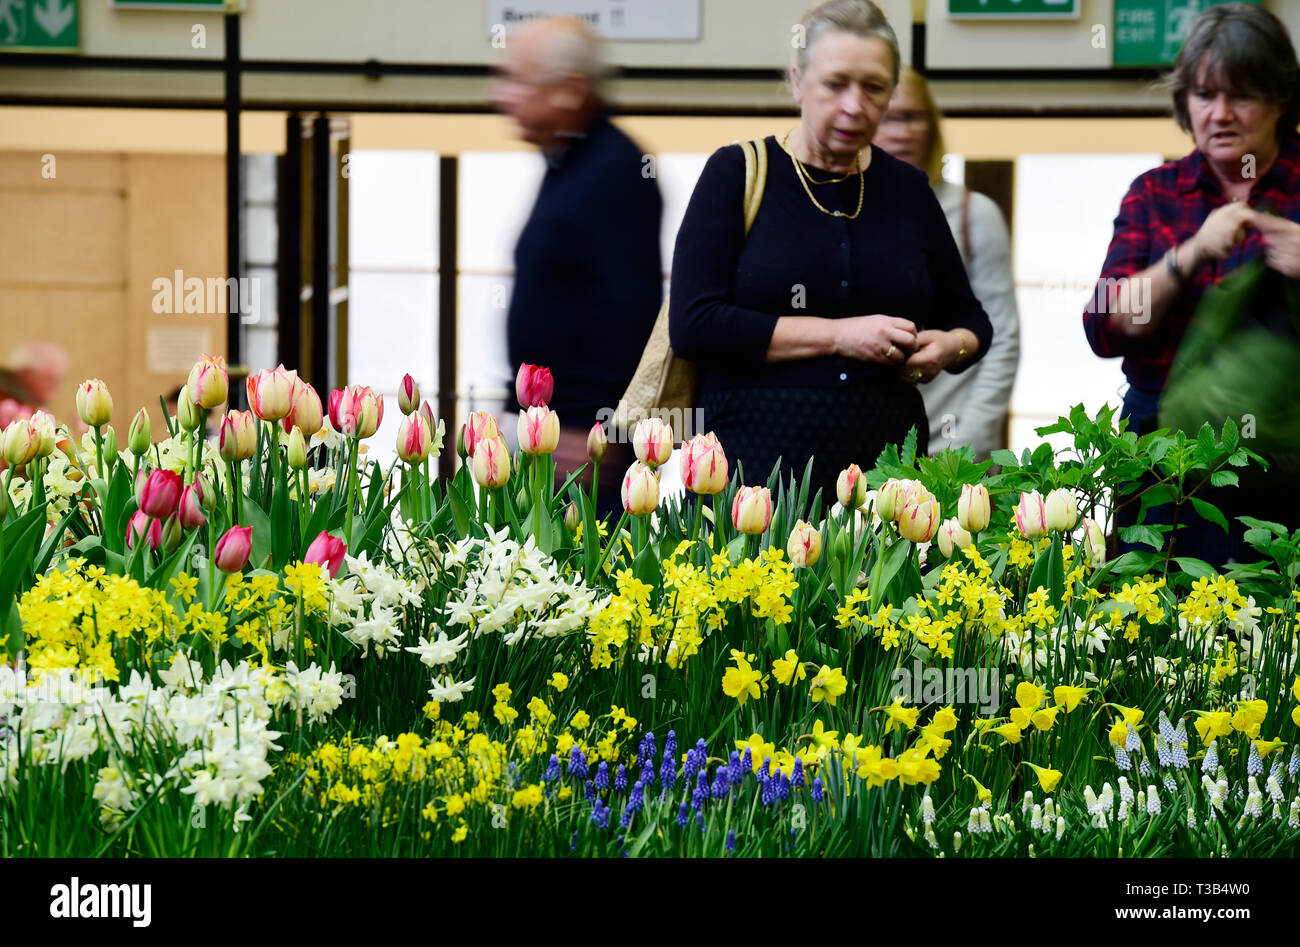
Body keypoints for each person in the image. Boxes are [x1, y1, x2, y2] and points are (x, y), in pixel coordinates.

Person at [668, 0, 992, 502]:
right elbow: (694, 324)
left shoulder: (907, 189)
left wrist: (950, 348)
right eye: (835, 84)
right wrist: (839, 336)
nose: (854, 105)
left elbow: (972, 320)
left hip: (885, 480)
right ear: (798, 82)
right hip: (752, 472)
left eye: (874, 87)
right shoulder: (736, 172)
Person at [1083, 3, 1300, 561]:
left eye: (1242, 95)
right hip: (1164, 456)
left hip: (1286, 456)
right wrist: (1191, 254)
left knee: (1273, 636)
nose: (1220, 114)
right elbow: (1106, 322)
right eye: (1205, 96)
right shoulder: (1156, 191)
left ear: (1280, 100)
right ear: (1185, 104)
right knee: (1152, 626)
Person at [492, 16, 663, 520]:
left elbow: (628, 310)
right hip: (549, 427)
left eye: (518, 80)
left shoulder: (615, 168)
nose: (501, 96)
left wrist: (593, 429)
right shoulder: (568, 161)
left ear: (568, 90)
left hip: (578, 441)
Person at [874, 67, 1020, 462]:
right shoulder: (845, 213)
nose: (900, 131)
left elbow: (1002, 338)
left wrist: (968, 444)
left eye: (912, 117)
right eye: (888, 117)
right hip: (868, 448)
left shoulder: (974, 213)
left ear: (932, 127)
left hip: (950, 448)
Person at [0, 341, 68, 426]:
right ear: (27, 374)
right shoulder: (5, 402)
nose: (57, 387)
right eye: (50, 379)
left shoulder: (30, 403)